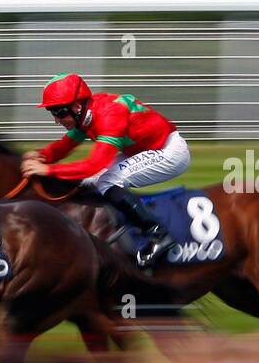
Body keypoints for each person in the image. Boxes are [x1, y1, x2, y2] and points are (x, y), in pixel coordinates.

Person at [21, 73, 190, 267]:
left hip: (168, 151)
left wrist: (48, 170)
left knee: (106, 180)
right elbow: (66, 145)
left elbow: (95, 164)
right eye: (52, 112)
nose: (57, 120)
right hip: (142, 148)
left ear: (76, 106)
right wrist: (42, 155)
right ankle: (110, 226)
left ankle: (160, 235)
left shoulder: (109, 115)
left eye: (59, 112)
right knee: (90, 181)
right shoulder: (86, 113)